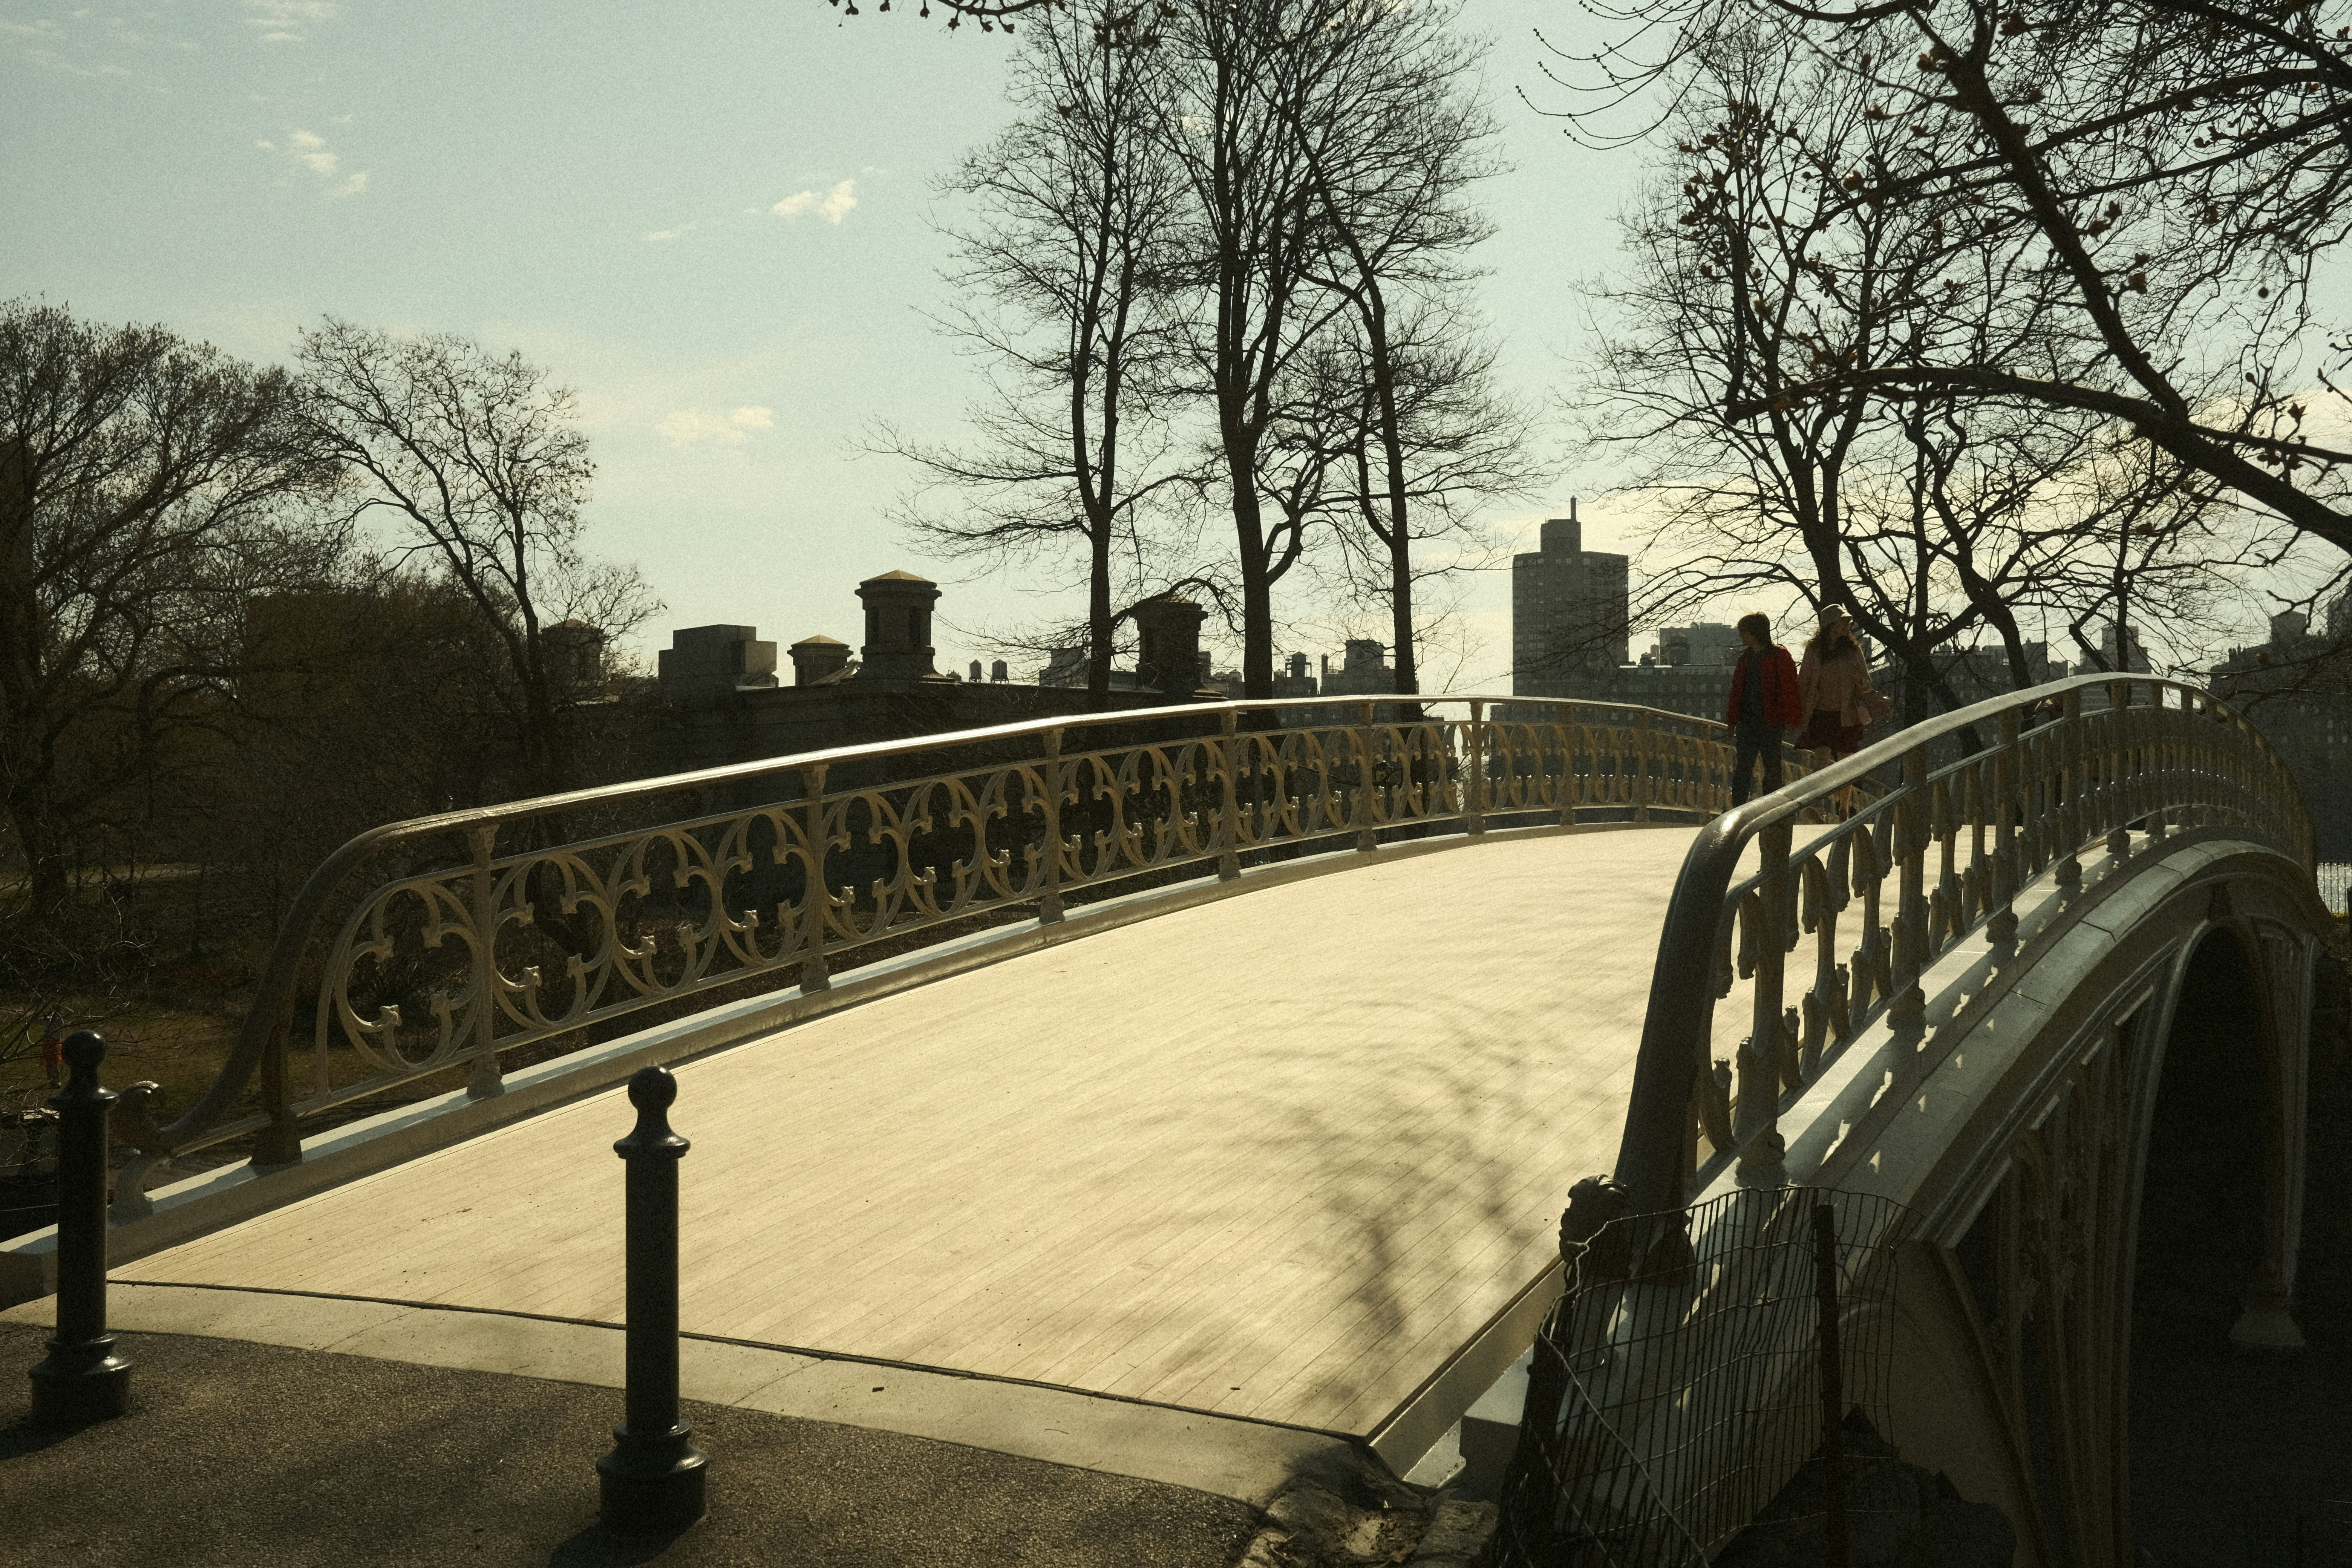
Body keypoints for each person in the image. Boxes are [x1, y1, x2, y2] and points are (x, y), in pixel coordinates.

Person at [1797, 604, 1880, 816]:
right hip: (1821, 713)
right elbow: (1803, 682)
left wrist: (1863, 685)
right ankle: (1816, 805)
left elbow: (1866, 681)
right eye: (1842, 621)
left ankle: (1843, 807)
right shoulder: (1814, 650)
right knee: (1821, 761)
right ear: (1830, 625)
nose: (1847, 625)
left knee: (1846, 763)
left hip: (1848, 715)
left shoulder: (1853, 650)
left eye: (1847, 622)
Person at [1723, 612, 1802, 807]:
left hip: (1770, 723)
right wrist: (1732, 721)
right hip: (1753, 723)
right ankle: (1742, 807)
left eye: (1745, 632)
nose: (1742, 637)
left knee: (1770, 768)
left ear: (1755, 633)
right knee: (1747, 768)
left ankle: (1768, 808)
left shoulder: (1778, 656)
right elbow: (1737, 692)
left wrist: (1792, 720)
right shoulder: (1748, 658)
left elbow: (1789, 690)